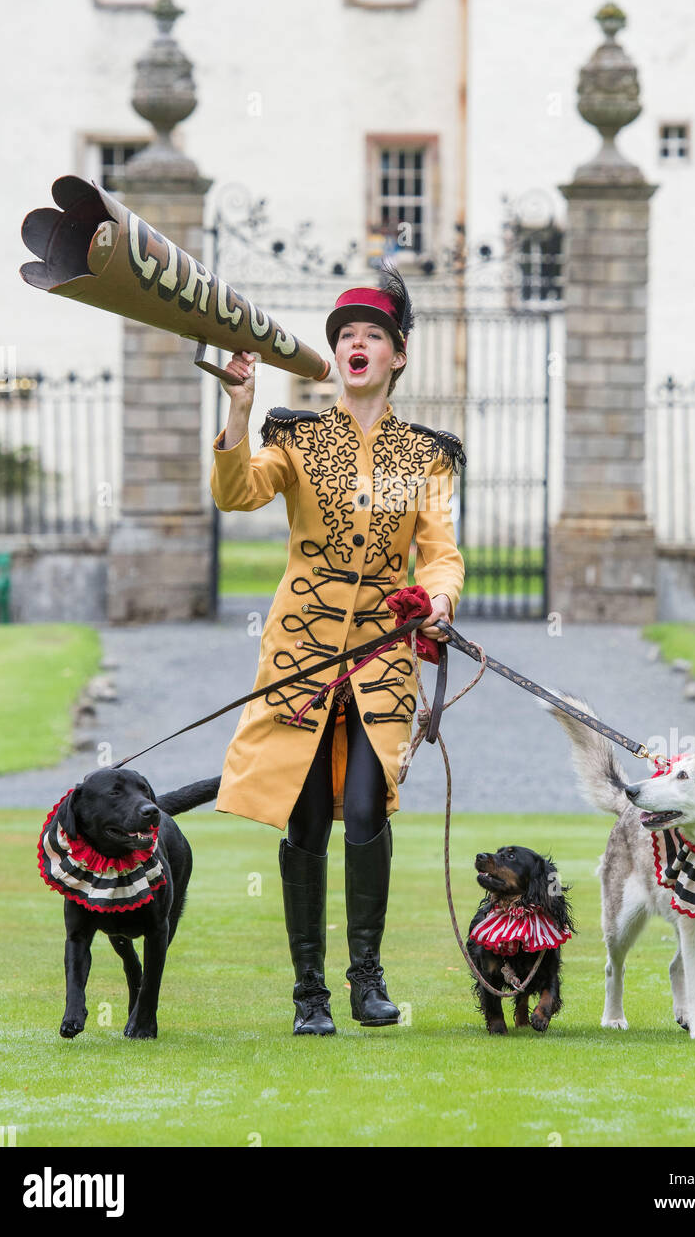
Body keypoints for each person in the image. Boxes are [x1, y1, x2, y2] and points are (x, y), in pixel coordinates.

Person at [210, 262, 465, 1035]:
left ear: (399, 353)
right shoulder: (292, 435)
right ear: (337, 354)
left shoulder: (428, 455)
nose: (358, 346)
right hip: (303, 653)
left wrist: (440, 602)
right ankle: (309, 995)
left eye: (373, 336)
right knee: (308, 813)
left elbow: (441, 550)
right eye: (347, 336)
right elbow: (236, 491)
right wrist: (241, 410)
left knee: (366, 808)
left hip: (385, 652)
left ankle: (366, 981)